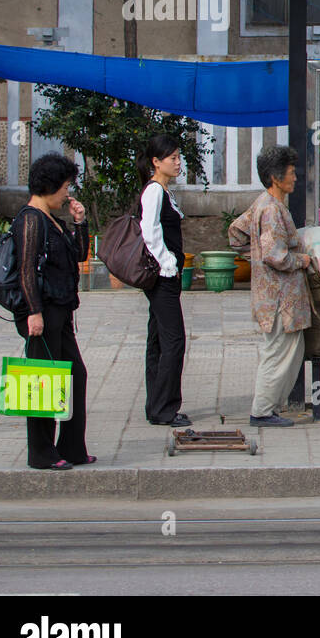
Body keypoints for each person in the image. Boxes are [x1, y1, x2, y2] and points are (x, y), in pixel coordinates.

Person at [11, 153, 94, 470]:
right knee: (41, 382)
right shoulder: (30, 219)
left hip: (61, 311)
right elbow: (26, 270)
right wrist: (33, 312)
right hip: (43, 312)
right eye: (65, 186)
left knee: (76, 375)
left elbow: (80, 254)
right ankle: (41, 453)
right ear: (50, 186)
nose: (67, 193)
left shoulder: (51, 220)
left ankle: (72, 448)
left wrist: (80, 221)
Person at [228, 144, 312, 427]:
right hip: (280, 299)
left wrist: (255, 257)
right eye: (291, 172)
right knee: (278, 353)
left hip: (271, 295)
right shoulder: (273, 210)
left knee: (287, 351)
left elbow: (237, 233)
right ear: (276, 178)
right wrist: (301, 260)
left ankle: (268, 408)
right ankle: (262, 411)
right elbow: (275, 255)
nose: (295, 178)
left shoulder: (262, 203)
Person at [138, 134, 190, 428]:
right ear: (156, 162)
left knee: (158, 340)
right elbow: (149, 231)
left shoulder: (163, 190)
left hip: (165, 276)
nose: (177, 162)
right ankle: (165, 408)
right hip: (162, 278)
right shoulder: (154, 191)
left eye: (178, 157)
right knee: (174, 342)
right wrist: (167, 263)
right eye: (172, 158)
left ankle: (156, 406)